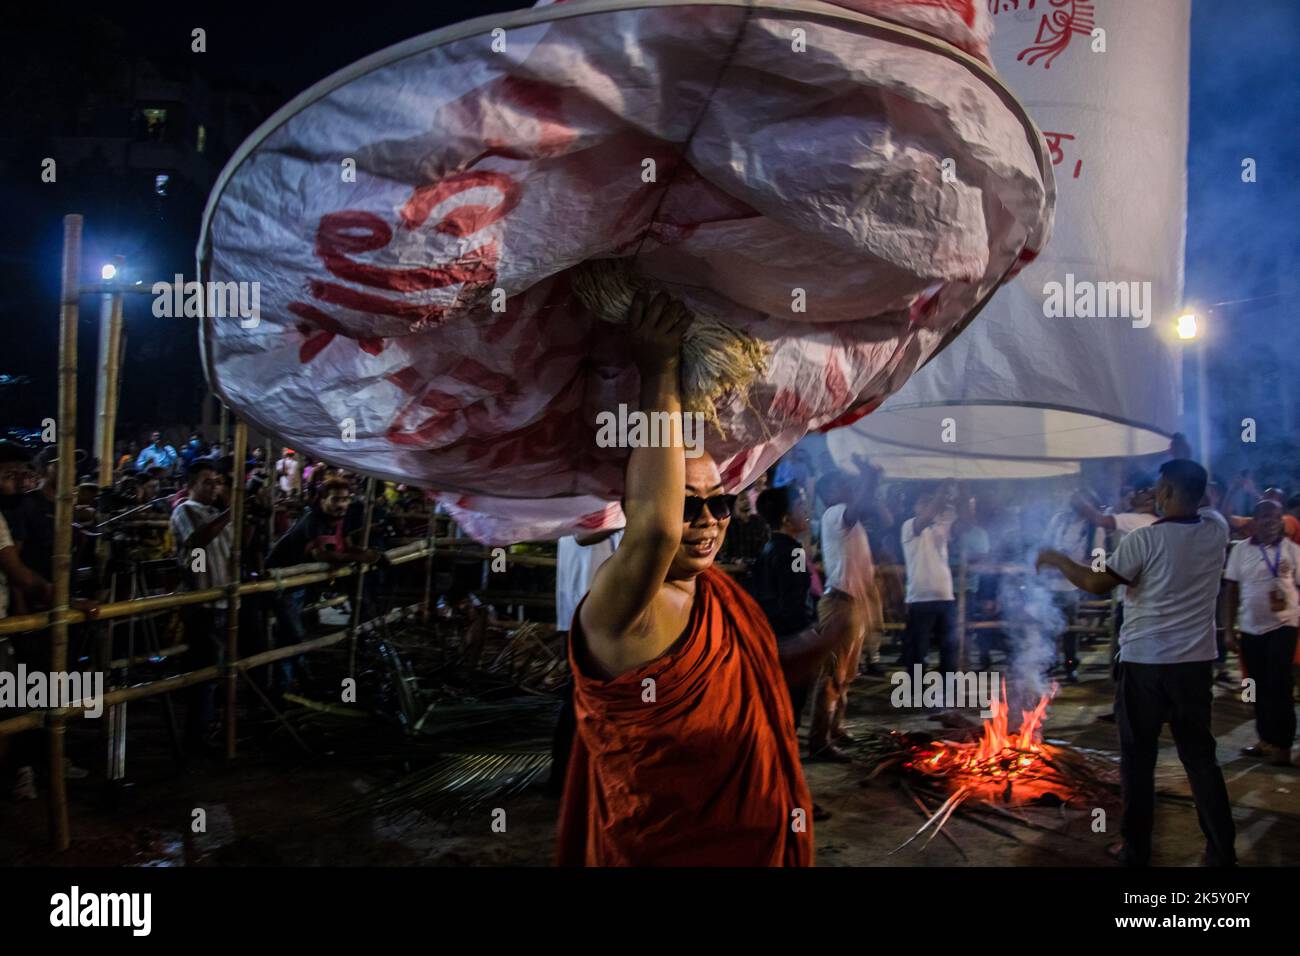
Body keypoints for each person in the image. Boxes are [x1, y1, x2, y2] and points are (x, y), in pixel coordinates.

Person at [557, 292, 840, 866]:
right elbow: (656, 533)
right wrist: (658, 366)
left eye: (721, 504)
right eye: (688, 506)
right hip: (667, 843)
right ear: (644, 505)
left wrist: (830, 639)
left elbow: (766, 674)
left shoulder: (719, 594)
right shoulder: (624, 603)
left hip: (753, 835)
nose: (708, 523)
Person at [1036, 459, 1236, 867]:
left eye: (1159, 489)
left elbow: (1095, 583)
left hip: (1146, 664)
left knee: (1138, 762)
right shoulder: (1217, 530)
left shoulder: (1144, 540)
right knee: (1200, 760)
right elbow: (1209, 500)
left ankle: (1136, 851)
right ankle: (1221, 851)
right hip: (1195, 666)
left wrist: (1057, 559)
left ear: (1166, 493)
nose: (1154, 495)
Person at [265, 475, 380, 692]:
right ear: (322, 500)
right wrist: (362, 557)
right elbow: (323, 555)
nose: (342, 505)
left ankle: (292, 681)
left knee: (289, 633)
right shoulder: (313, 521)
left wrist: (370, 554)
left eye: (345, 499)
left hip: (298, 582)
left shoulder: (337, 521)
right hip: (281, 581)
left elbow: (345, 547)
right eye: (336, 500)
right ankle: (285, 685)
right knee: (294, 633)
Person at [808, 470, 883, 762]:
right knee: (831, 676)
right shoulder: (835, 514)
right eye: (843, 485)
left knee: (847, 675)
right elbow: (859, 506)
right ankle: (819, 742)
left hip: (853, 604)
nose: (848, 489)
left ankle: (835, 728)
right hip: (839, 604)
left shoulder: (850, 521)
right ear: (831, 493)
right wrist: (871, 479)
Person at [1223, 499, 1298, 766]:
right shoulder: (1241, 550)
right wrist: (1229, 630)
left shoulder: (1292, 550)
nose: (1270, 522)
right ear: (1255, 521)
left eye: (1275, 517)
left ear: (1281, 521)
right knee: (1256, 685)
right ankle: (1266, 739)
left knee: (1279, 684)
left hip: (1284, 625)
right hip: (1251, 626)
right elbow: (1230, 590)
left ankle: (1283, 745)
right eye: (1264, 517)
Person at [548, 528, 623, 795]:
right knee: (589, 700)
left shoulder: (574, 519)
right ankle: (575, 778)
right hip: (596, 620)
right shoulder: (605, 519)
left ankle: (566, 776)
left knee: (578, 696)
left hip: (578, 617)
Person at [170, 460, 233, 753]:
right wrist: (233, 513)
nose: (214, 487)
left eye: (217, 481)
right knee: (204, 674)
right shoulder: (184, 510)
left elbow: (234, 549)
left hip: (222, 600)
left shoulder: (216, 514)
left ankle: (211, 728)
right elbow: (197, 542)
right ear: (191, 484)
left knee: (219, 671)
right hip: (200, 601)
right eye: (207, 481)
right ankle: (196, 738)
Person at [750, 484, 816, 730]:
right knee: (789, 711)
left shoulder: (769, 548)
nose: (807, 511)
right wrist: (811, 638)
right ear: (787, 518)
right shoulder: (793, 552)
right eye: (801, 506)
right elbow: (795, 602)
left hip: (772, 638)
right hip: (791, 641)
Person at [900, 482, 964, 673]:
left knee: (949, 649)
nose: (929, 505)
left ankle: (946, 692)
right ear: (915, 507)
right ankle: (915, 693)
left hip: (945, 597)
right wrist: (942, 492)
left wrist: (964, 492)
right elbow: (928, 515)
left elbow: (966, 524)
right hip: (920, 599)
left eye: (930, 501)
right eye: (923, 502)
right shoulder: (909, 526)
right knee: (918, 652)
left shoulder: (941, 527)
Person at [1042, 501, 1103, 683]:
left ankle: (1070, 665)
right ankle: (1050, 663)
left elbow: (1098, 562)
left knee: (1070, 630)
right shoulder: (1058, 520)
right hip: (1050, 583)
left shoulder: (1094, 528)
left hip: (1073, 585)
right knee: (1049, 627)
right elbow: (1045, 546)